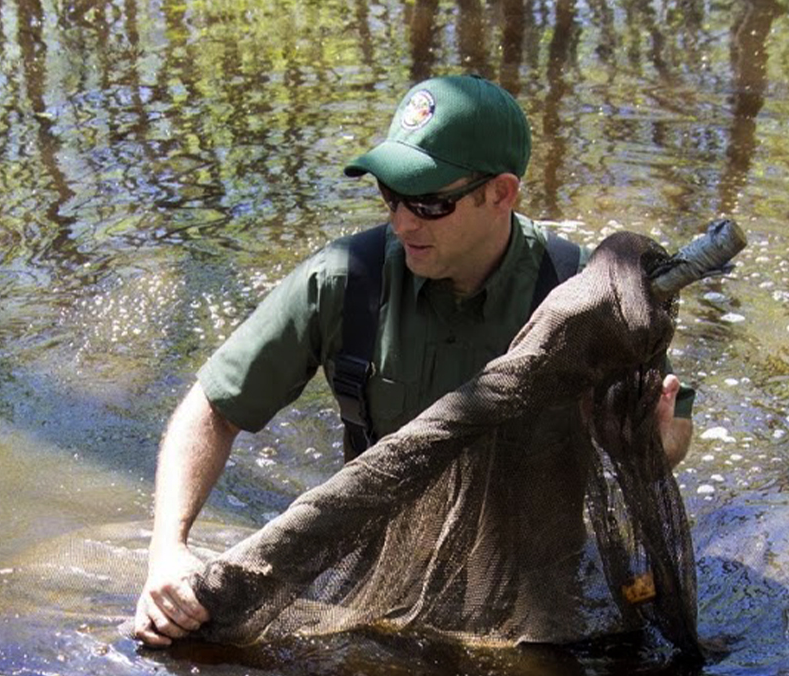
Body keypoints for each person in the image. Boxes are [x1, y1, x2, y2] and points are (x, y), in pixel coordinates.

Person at [134, 74, 695, 647]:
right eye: (391, 195)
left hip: (537, 584)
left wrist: (655, 453)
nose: (402, 223)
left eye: (429, 202)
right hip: (379, 573)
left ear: (502, 193)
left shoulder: (590, 300)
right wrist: (167, 550)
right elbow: (212, 409)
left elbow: (662, 444)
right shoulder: (344, 281)